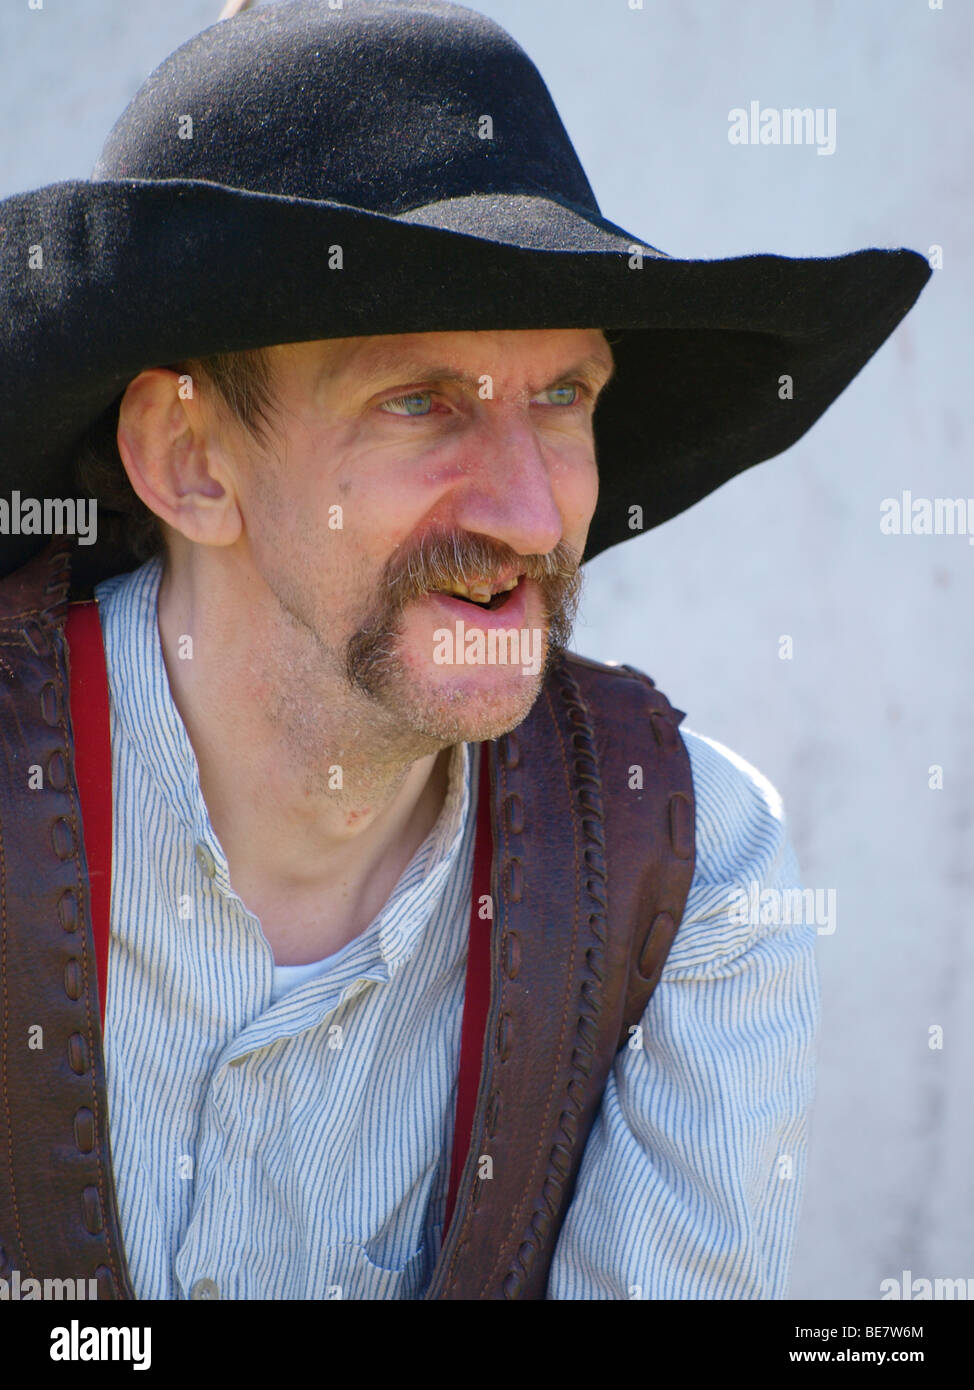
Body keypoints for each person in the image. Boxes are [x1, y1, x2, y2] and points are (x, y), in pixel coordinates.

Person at [0, 0, 930, 1301]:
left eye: (562, 397)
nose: (535, 511)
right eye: (418, 401)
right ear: (191, 460)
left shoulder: (694, 866)